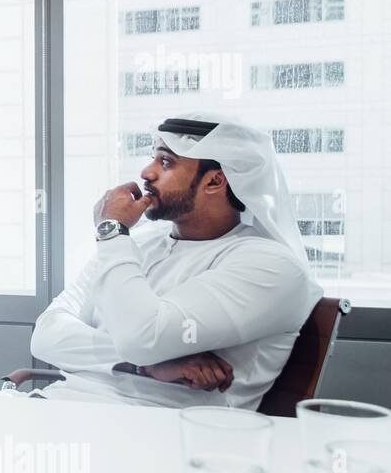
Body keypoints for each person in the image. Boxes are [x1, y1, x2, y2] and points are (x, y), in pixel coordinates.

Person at [28, 114, 322, 410]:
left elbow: (140, 338)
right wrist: (148, 367)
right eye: (152, 158)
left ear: (215, 181)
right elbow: (46, 334)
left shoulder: (271, 266)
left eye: (166, 162)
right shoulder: (139, 242)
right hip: (60, 406)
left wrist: (112, 230)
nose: (146, 172)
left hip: (160, 434)